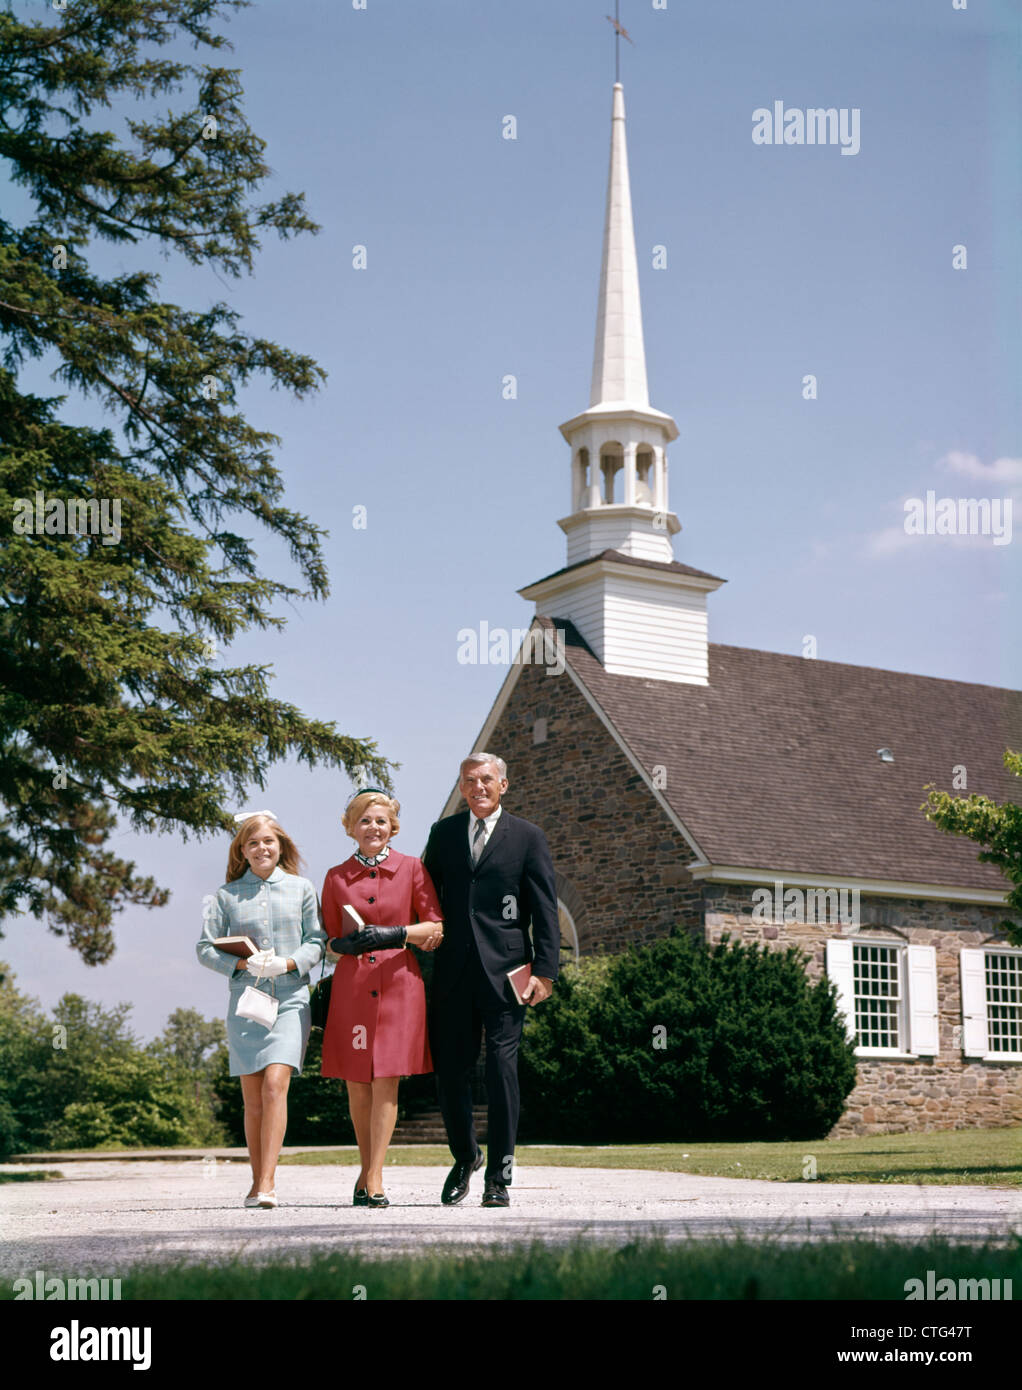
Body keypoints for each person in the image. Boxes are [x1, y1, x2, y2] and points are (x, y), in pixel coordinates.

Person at [423, 753, 559, 1208]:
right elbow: (426, 901)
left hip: (507, 977)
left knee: (502, 1073)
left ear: (504, 785)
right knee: (451, 1075)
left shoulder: (527, 837)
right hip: (452, 976)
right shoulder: (442, 835)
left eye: (486, 779)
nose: (477, 786)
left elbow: (544, 909)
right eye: (469, 781)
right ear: (461, 788)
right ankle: (466, 1157)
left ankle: (499, 1178)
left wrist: (545, 971)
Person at [196, 810, 325, 1209]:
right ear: (242, 850)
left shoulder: (302, 888)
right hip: (247, 1002)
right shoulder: (225, 895)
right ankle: (256, 1182)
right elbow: (205, 948)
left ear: (280, 845)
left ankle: (268, 1183)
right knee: (253, 1100)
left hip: (290, 999)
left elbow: (317, 940)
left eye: (268, 841)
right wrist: (239, 964)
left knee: (275, 1085)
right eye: (253, 843)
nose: (261, 848)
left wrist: (287, 963)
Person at [321, 789, 443, 1207]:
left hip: (398, 985)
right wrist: (344, 944)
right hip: (353, 987)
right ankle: (366, 1170)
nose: (373, 828)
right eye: (364, 820)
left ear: (393, 827)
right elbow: (325, 941)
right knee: (357, 1083)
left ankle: (373, 1178)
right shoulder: (336, 877)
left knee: (387, 1079)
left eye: (381, 821)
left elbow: (435, 928)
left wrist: (396, 934)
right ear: (351, 827)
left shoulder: (412, 868)